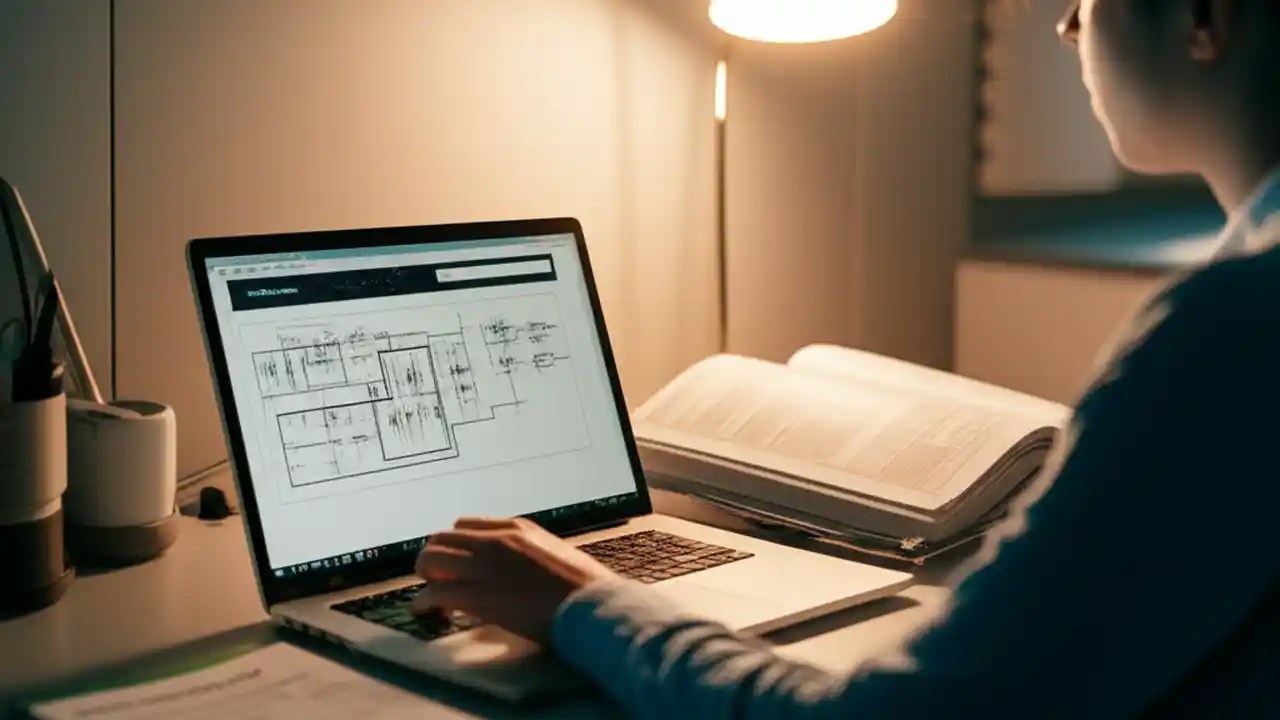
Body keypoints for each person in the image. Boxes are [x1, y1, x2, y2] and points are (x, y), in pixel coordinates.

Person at [414, 0, 1280, 716]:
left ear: (1204, 19)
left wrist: (581, 602)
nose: (1064, 29)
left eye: (1086, 2)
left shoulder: (1231, 328)